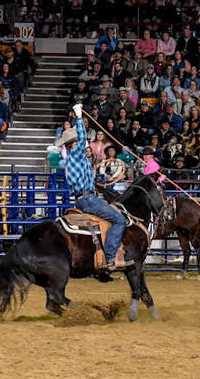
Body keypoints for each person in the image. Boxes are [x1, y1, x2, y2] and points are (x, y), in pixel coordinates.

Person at [61, 103, 133, 271]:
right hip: (88, 199)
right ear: (74, 143)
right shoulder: (77, 153)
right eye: (79, 141)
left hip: (84, 197)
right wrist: (78, 116)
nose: (82, 142)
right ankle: (109, 258)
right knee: (119, 219)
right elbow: (81, 133)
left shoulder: (75, 159)